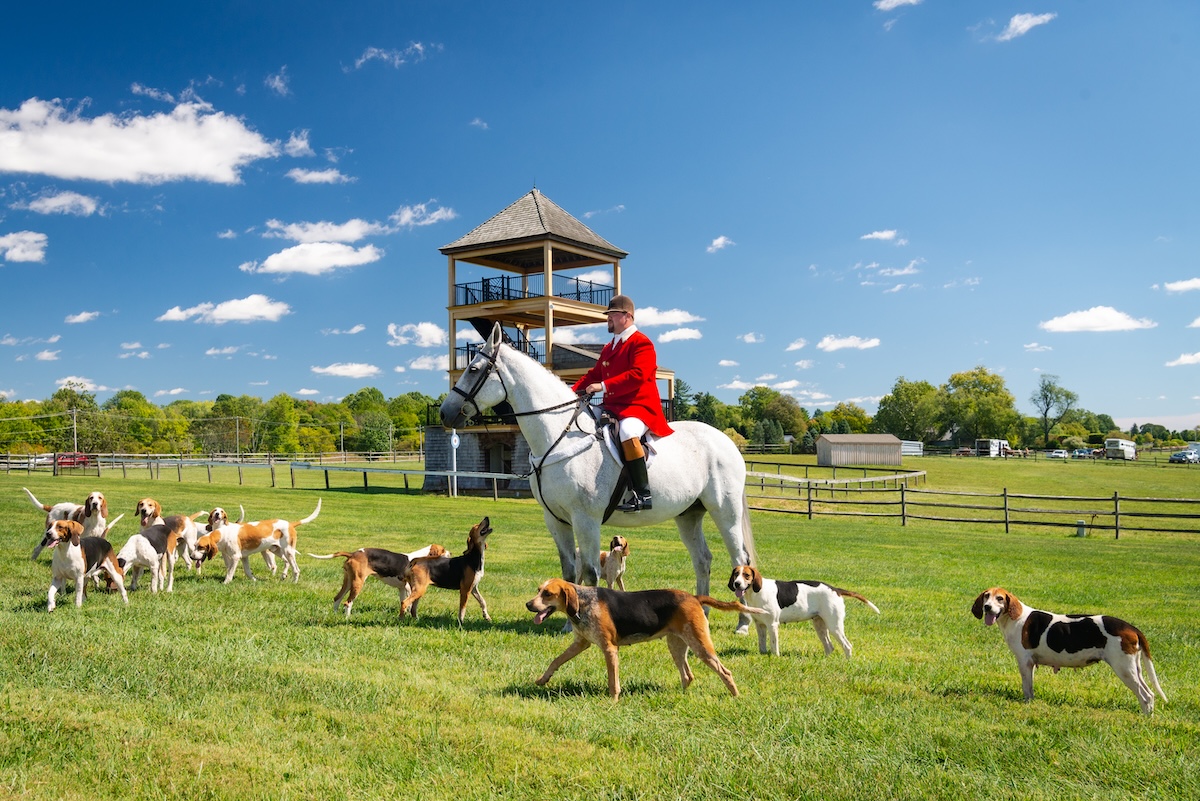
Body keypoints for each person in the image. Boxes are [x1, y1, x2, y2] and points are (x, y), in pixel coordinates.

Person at [572, 294, 673, 511]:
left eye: (612, 315)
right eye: (608, 315)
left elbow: (638, 374)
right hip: (613, 407)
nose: (608, 319)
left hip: (639, 407)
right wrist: (570, 394)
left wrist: (604, 386)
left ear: (627, 316)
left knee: (627, 432)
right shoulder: (609, 347)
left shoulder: (642, 343)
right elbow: (594, 374)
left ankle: (643, 494)